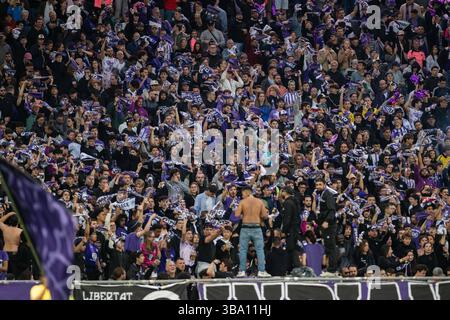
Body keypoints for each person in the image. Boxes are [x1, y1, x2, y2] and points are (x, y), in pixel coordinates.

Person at [235, 186, 270, 277]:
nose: (242, 196)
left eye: (242, 194)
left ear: (247, 193)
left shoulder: (242, 202)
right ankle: (261, 271)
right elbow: (265, 216)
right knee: (259, 250)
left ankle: (242, 271)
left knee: (243, 250)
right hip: (256, 228)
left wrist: (244, 214)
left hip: (245, 228)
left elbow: (237, 214)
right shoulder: (259, 201)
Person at [314, 179, 338, 273]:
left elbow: (332, 210)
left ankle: (332, 270)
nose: (318, 186)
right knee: (328, 247)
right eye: (316, 184)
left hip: (329, 225)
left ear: (324, 185)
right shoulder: (320, 194)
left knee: (331, 247)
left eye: (320, 184)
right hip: (324, 224)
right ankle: (329, 269)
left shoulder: (327, 194)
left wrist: (327, 221)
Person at [280, 186, 300, 272]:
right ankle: (294, 268)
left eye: (281, 191)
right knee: (293, 249)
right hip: (295, 229)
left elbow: (287, 219)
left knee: (290, 250)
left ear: (285, 192)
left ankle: (292, 269)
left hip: (290, 230)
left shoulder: (288, 203)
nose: (280, 193)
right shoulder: (295, 201)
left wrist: (284, 231)